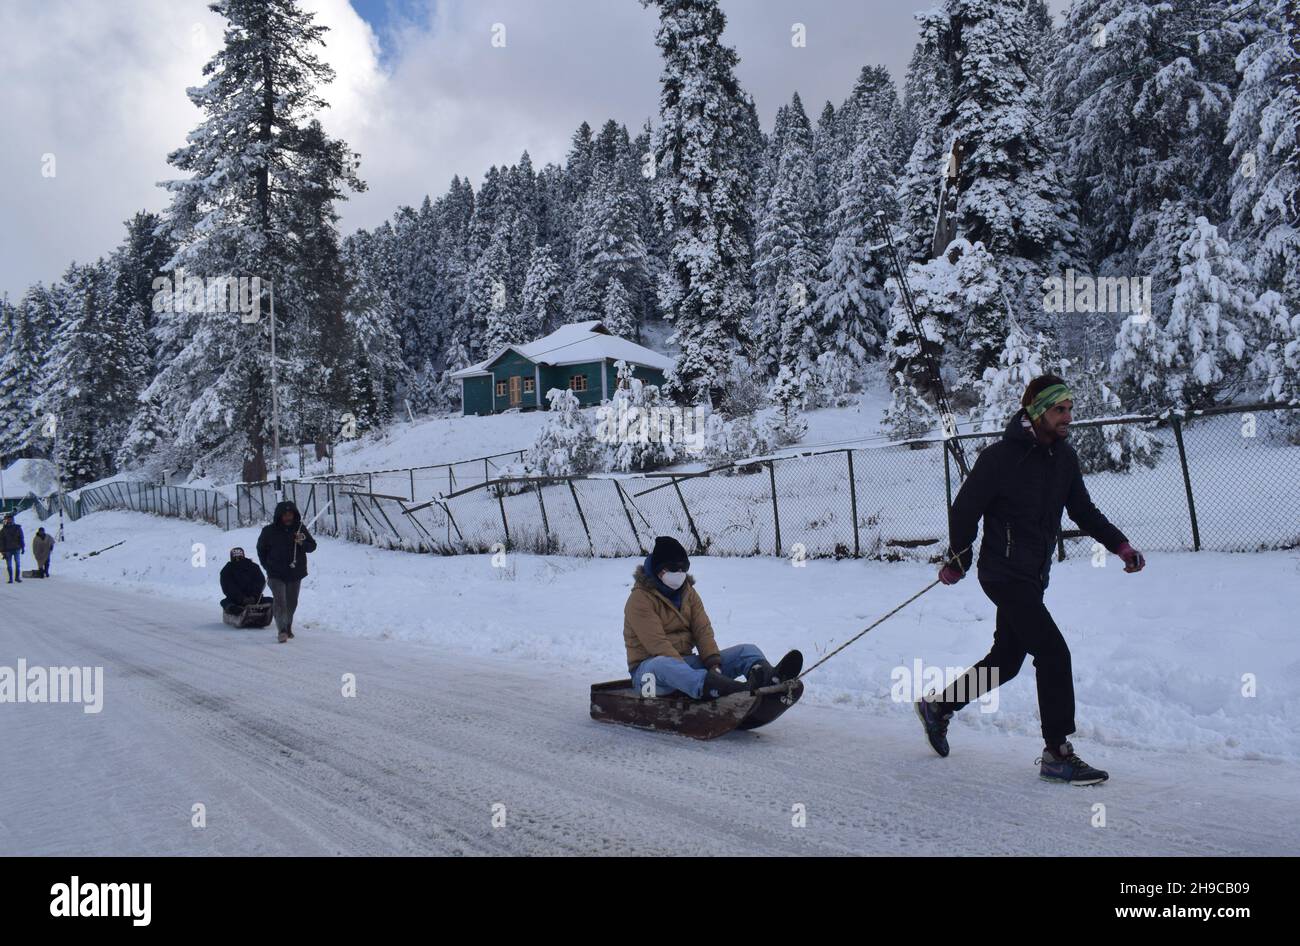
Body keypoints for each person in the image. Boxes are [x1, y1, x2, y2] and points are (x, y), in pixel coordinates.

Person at [917, 374, 1145, 785]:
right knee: (1053, 653)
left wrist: (1120, 545)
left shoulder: (1063, 460)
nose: (1068, 417)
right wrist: (959, 558)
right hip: (1002, 574)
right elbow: (965, 509)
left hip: (1034, 575)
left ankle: (940, 706)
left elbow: (1083, 511)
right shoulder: (1000, 458)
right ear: (1038, 411)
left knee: (1005, 661)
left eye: (1070, 409)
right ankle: (1057, 753)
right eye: (1060, 409)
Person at [624, 536, 800, 700]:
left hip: (685, 667)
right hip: (649, 675)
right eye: (673, 569)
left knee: (747, 650)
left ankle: (770, 679)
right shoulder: (640, 600)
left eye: (682, 569)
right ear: (659, 570)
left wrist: (714, 665)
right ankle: (726, 690)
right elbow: (658, 645)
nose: (679, 574)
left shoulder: (688, 593)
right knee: (663, 664)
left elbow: (703, 631)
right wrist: (696, 675)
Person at [256, 500, 316, 643]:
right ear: (279, 516)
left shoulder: (300, 529)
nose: (288, 517)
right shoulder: (268, 531)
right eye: (285, 515)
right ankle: (282, 630)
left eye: (290, 514)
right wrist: (267, 566)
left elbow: (312, 546)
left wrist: (302, 542)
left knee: (292, 602)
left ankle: (288, 625)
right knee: (280, 601)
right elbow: (261, 550)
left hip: (295, 573)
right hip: (275, 573)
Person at [219, 547, 266, 614]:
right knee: (226, 603)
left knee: (271, 601)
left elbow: (260, 582)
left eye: (239, 558)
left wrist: (254, 596)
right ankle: (239, 612)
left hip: (255, 599)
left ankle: (262, 612)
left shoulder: (253, 567)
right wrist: (241, 599)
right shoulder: (227, 570)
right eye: (235, 558)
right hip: (236, 600)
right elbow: (229, 587)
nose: (238, 560)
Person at [1, 513, 24, 584]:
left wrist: (22, 547)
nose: (9, 520)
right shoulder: (3, 529)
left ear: (13, 520)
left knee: (17, 563)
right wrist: (2, 550)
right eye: (8, 519)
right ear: (7, 520)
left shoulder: (18, 528)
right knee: (9, 565)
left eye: (10, 519)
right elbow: (1, 541)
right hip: (8, 549)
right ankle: (11, 578)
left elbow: (21, 538)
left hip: (16, 548)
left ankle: (17, 577)